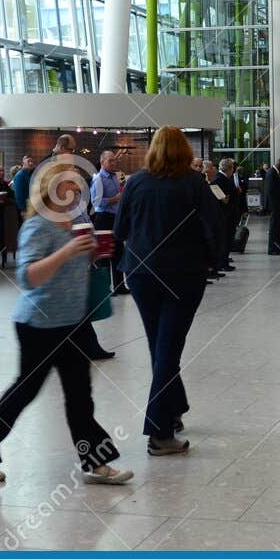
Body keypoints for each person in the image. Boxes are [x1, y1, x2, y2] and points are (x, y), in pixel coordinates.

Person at [0, 160, 133, 486]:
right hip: (39, 326)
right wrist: (69, 250)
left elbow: (71, 268)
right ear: (50, 190)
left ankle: (96, 463)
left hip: (71, 322)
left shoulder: (73, 224)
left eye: (76, 186)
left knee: (80, 397)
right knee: (26, 391)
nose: (75, 191)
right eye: (68, 185)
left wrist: (93, 253)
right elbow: (29, 277)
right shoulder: (37, 226)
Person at [115, 126, 223, 454]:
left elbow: (120, 229)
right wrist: (212, 261)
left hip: (142, 273)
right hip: (183, 274)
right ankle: (159, 434)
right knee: (168, 349)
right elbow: (216, 226)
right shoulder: (193, 184)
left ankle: (173, 408)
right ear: (185, 151)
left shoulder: (135, 183)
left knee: (159, 346)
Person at [200, 160, 228, 282]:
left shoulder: (212, 184)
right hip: (208, 220)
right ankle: (210, 270)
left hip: (216, 218)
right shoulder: (203, 184)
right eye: (212, 168)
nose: (214, 170)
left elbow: (222, 201)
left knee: (217, 243)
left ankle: (214, 268)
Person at [214, 159, 242, 269]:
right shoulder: (219, 179)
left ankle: (224, 261)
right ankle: (223, 263)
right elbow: (221, 198)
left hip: (229, 214)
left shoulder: (224, 178)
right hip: (226, 215)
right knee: (225, 240)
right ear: (230, 168)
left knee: (228, 239)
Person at [90, 150, 123, 232]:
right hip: (104, 219)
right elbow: (95, 202)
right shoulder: (98, 179)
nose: (113, 163)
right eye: (110, 161)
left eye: (114, 160)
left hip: (115, 217)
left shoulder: (115, 176)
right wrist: (115, 199)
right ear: (102, 162)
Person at [264, 158, 280, 254]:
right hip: (275, 206)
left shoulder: (275, 172)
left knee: (278, 228)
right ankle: (272, 249)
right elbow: (271, 191)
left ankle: (277, 248)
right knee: (275, 228)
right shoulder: (271, 173)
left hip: (278, 206)